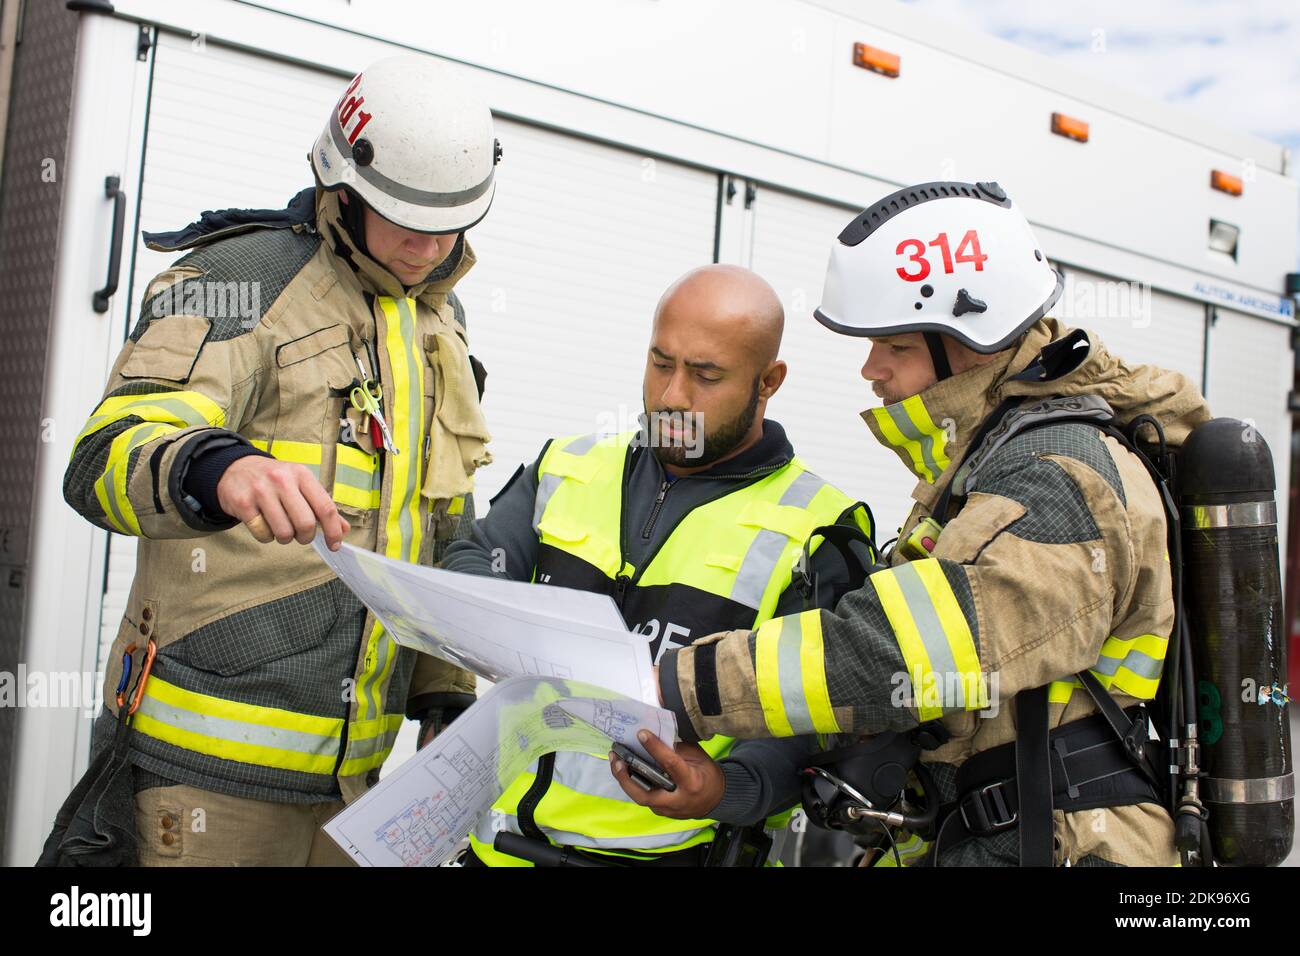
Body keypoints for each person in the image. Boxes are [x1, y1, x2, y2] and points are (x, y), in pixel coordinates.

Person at [649, 181, 1212, 866]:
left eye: (895, 346)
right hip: (997, 831)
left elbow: (893, 653)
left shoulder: (1057, 476)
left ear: (971, 340)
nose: (871, 368)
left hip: (1058, 843)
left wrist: (683, 686)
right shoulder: (996, 457)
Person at [43, 56, 499, 866]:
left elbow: (439, 514)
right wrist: (217, 470)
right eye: (405, 221)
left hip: (360, 787)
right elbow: (102, 458)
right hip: (203, 783)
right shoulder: (236, 281)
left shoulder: (439, 319)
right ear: (342, 185)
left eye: (450, 226)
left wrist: (444, 695)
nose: (429, 248)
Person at [442, 264, 876, 866]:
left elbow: (815, 720)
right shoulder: (567, 464)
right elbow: (471, 560)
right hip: (499, 855)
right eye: (660, 362)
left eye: (706, 375)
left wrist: (727, 789)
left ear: (769, 380)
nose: (673, 396)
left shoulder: (819, 527)